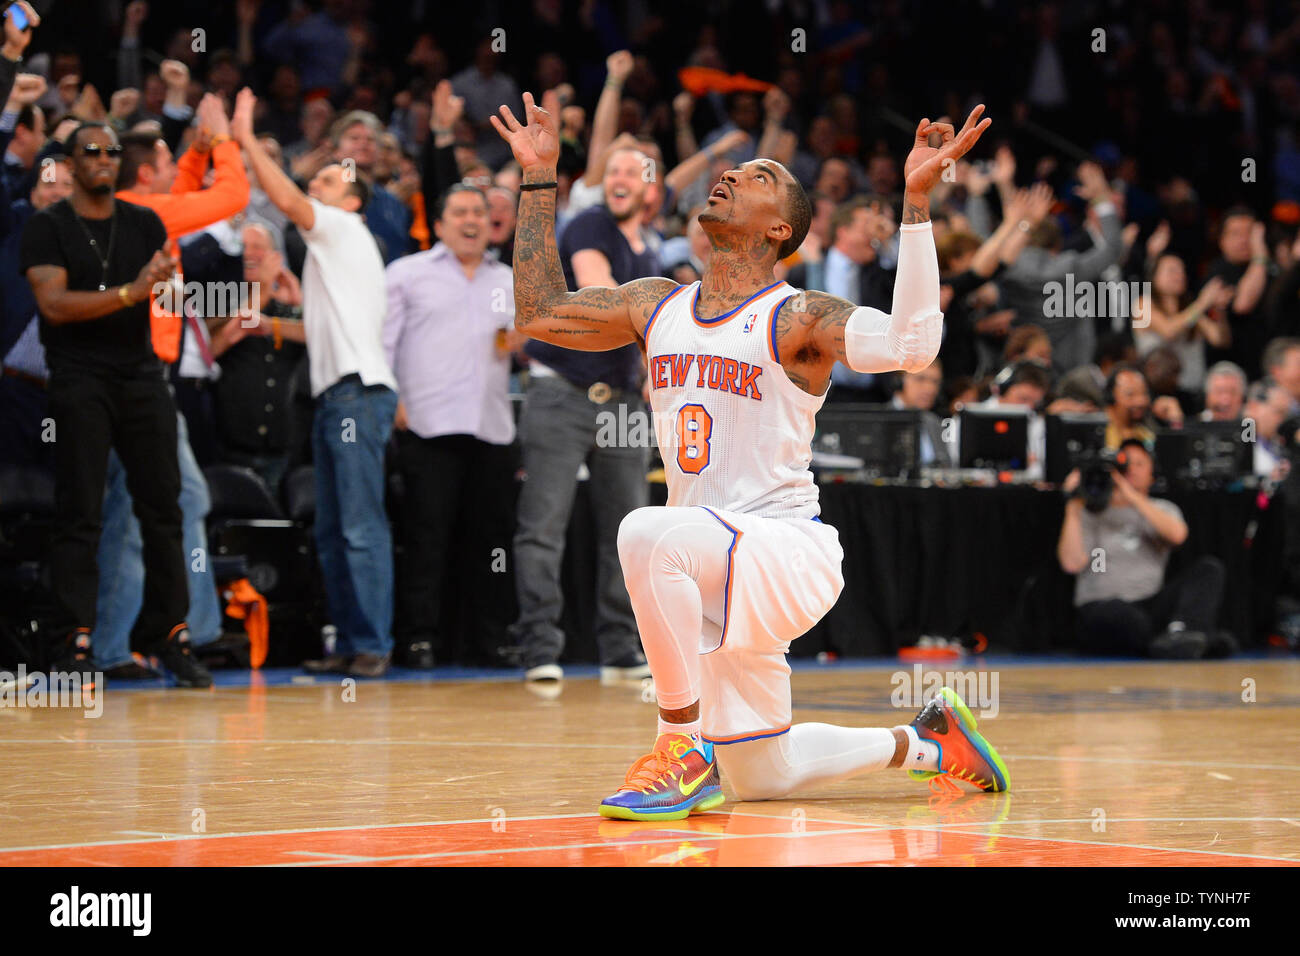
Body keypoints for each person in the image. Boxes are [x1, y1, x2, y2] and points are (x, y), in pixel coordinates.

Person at [492, 94, 1008, 820]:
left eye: (758, 175)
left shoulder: (798, 318)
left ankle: (679, 748)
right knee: (764, 774)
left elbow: (914, 345)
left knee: (642, 531)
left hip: (783, 548)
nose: (731, 174)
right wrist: (539, 179)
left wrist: (916, 202)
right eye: (732, 168)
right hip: (702, 567)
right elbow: (539, 312)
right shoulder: (654, 304)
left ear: (779, 229)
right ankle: (929, 743)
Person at [20, 121, 210, 686]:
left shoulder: (146, 221)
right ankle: (73, 643)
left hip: (141, 373)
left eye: (110, 151)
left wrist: (165, 285)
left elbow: (161, 293)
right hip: (79, 377)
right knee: (80, 511)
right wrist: (130, 291)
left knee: (165, 509)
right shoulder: (47, 228)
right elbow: (54, 305)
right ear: (72, 163)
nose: (104, 158)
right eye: (91, 152)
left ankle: (170, 636)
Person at [232, 87, 398, 679]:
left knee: (356, 526)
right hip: (340, 396)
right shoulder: (339, 249)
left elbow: (281, 197)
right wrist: (270, 325)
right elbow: (325, 332)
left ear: (350, 201)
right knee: (333, 529)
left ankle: (372, 643)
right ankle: (354, 644)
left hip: (355, 394)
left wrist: (247, 136)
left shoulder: (339, 228)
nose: (313, 191)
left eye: (326, 184)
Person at [509, 144, 660, 685]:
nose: (620, 178)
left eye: (633, 172)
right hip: (563, 394)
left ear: (651, 189)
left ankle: (620, 649)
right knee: (543, 527)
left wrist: (651, 371)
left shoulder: (651, 251)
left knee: (630, 532)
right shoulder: (589, 223)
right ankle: (539, 648)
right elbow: (601, 294)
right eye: (613, 169)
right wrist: (657, 333)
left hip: (622, 401)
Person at [384, 184, 519, 669]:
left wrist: (523, 341)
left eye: (479, 212)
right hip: (426, 422)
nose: (471, 220)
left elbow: (524, 346)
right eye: (459, 212)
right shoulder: (406, 273)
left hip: (491, 425)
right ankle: (419, 638)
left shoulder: (509, 278)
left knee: (492, 544)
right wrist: (391, 397)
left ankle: (488, 639)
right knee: (426, 536)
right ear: (438, 224)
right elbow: (384, 342)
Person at [1058, 439, 1232, 659]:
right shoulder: (1089, 512)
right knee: (1123, 616)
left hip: (1149, 603)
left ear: (1152, 474)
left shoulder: (1162, 508)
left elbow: (1177, 535)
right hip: (1103, 607)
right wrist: (1073, 505)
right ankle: (1181, 642)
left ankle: (1181, 633)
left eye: (1139, 464)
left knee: (1209, 568)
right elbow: (1071, 563)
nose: (1130, 469)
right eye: (1124, 464)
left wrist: (1131, 495)